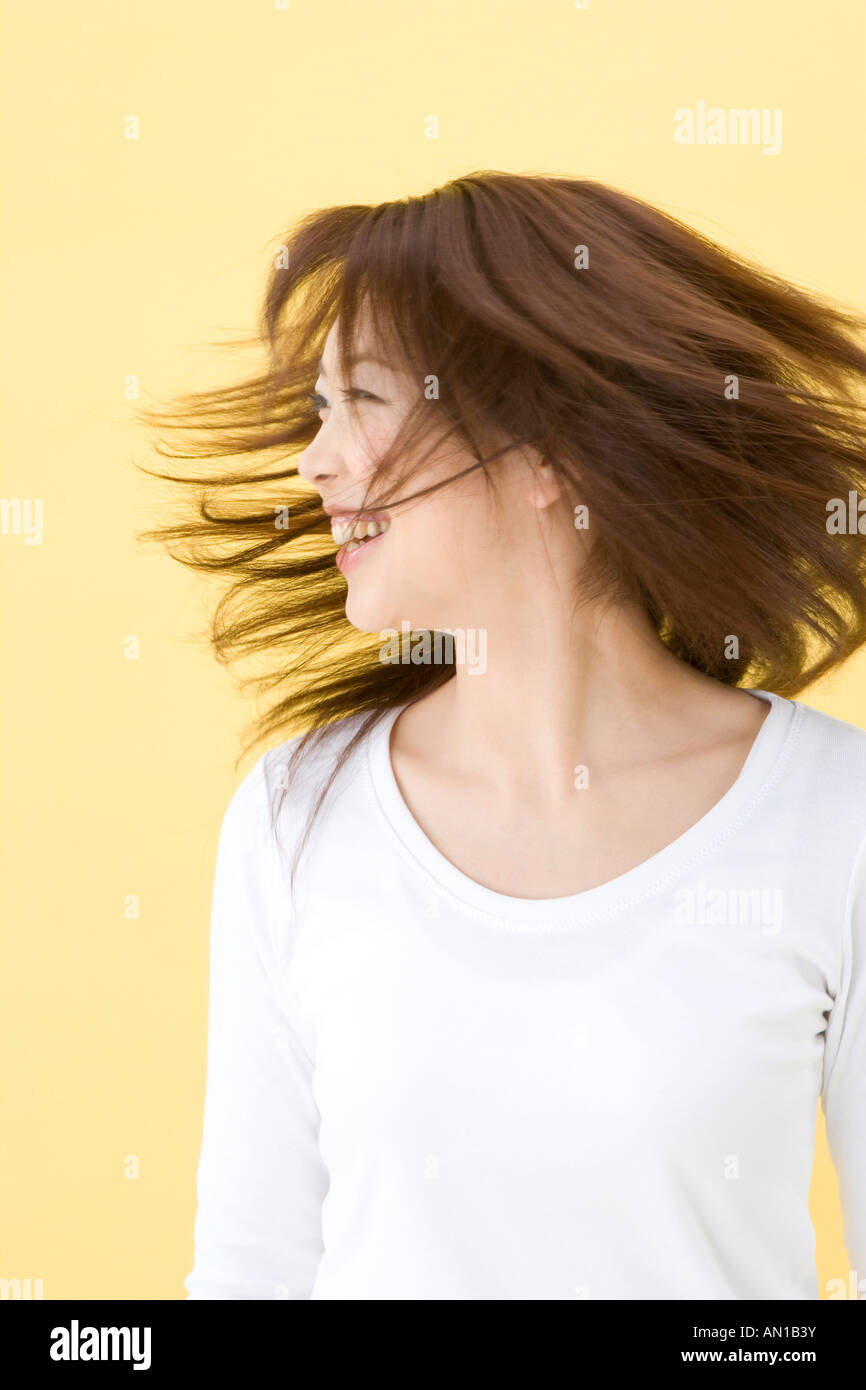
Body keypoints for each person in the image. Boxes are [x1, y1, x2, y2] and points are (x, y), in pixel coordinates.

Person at [143, 171, 866, 1299]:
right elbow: (248, 1278)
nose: (313, 463)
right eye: (316, 411)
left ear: (547, 451)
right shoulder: (296, 817)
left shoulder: (834, 816)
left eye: (364, 400)